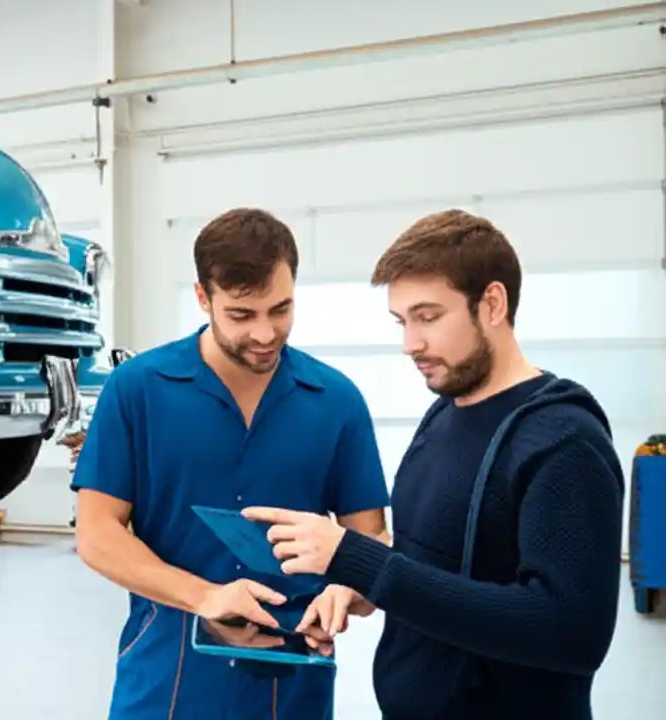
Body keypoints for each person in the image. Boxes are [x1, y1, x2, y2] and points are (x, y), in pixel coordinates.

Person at [244, 209, 625, 719]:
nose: (410, 344)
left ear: (492, 303)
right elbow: (440, 565)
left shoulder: (564, 442)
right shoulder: (444, 414)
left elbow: (570, 634)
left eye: (428, 316)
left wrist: (362, 560)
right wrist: (359, 588)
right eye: (402, 322)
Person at [72, 207, 392, 720]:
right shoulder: (137, 390)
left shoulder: (337, 401)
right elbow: (96, 533)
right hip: (163, 678)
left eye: (280, 309)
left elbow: (372, 540)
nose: (265, 333)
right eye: (242, 315)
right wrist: (204, 597)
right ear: (204, 298)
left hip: (293, 686)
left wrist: (348, 590)